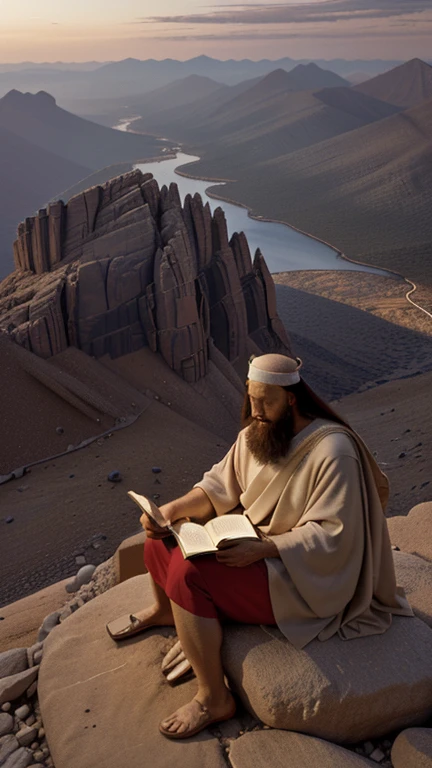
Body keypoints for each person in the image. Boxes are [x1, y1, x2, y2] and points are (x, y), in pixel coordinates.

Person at [108, 354, 412, 740]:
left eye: (266, 401)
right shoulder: (255, 434)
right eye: (251, 399)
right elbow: (216, 488)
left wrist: (264, 549)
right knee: (158, 540)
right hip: (253, 546)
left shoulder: (334, 451)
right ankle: (166, 612)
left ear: (292, 399)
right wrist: (169, 511)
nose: (256, 410)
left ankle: (213, 698)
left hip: (299, 571)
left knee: (189, 574)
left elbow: (335, 533)